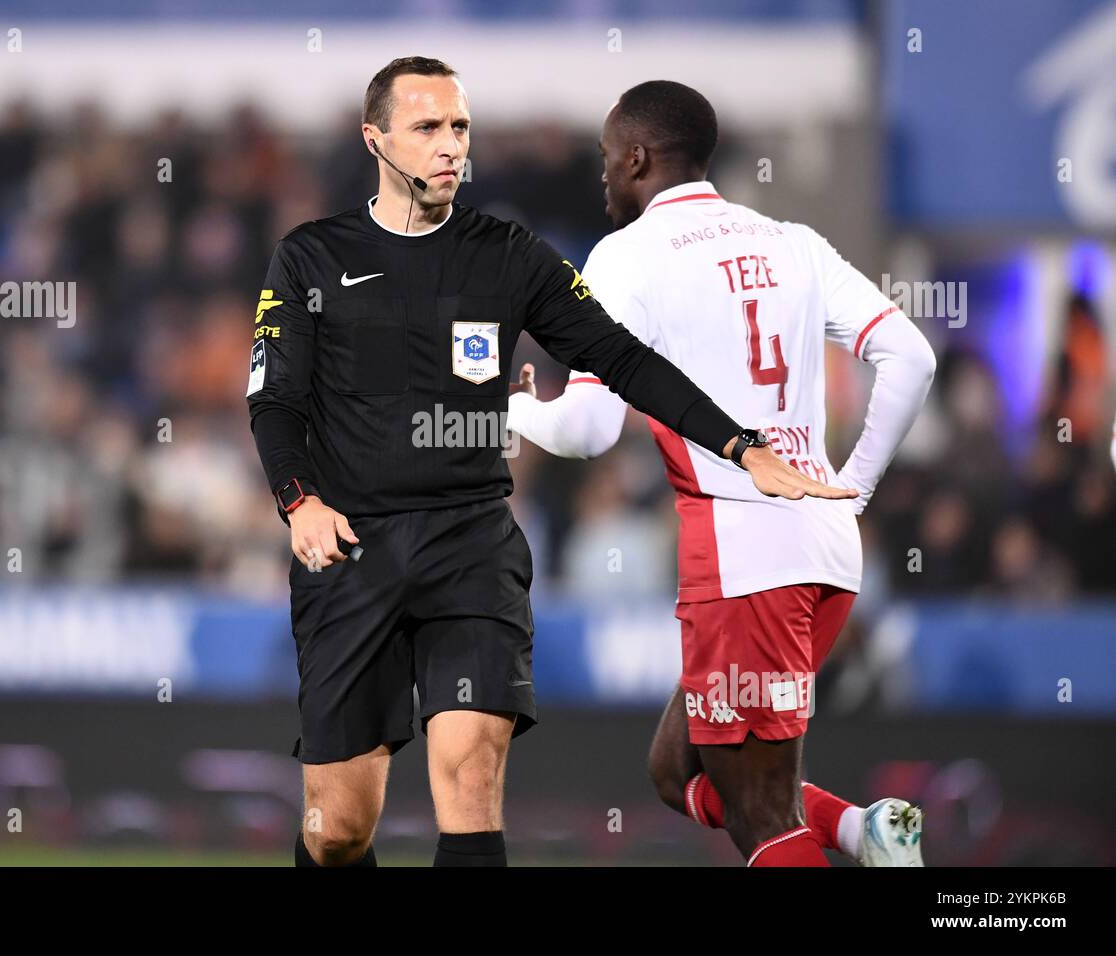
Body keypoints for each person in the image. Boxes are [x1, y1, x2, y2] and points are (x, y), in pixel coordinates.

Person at [246, 59, 855, 867]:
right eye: (427, 128)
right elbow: (275, 401)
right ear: (376, 139)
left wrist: (741, 445)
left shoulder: (508, 254)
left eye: (460, 127)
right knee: (339, 828)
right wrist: (300, 503)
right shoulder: (311, 258)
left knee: (468, 779)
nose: (450, 146)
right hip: (351, 552)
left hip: (470, 546)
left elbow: (624, 359)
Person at [507, 81, 936, 866]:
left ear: (636, 157)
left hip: (745, 559)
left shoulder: (626, 257)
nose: (602, 179)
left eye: (607, 161)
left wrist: (515, 412)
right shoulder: (792, 241)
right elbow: (910, 355)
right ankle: (858, 832)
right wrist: (856, 487)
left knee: (762, 816)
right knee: (678, 771)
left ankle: (832, 837)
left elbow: (590, 429)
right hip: (828, 553)